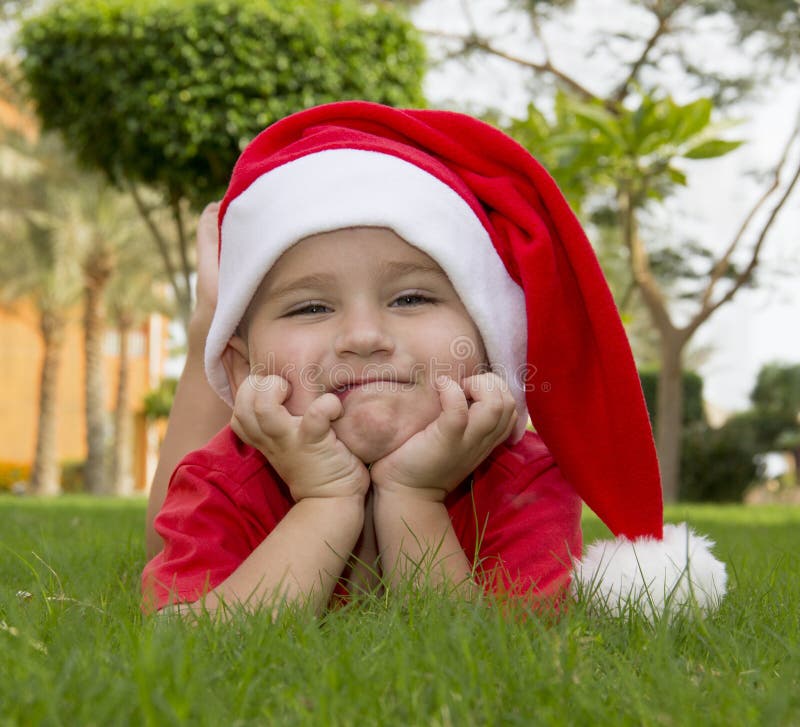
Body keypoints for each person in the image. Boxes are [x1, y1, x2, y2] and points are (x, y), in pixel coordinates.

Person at [143, 101, 727, 619]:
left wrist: (413, 497)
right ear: (244, 369)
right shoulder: (220, 482)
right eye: (311, 307)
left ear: (491, 343)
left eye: (411, 299)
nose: (364, 335)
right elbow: (189, 647)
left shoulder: (522, 481)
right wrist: (325, 501)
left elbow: (490, 665)